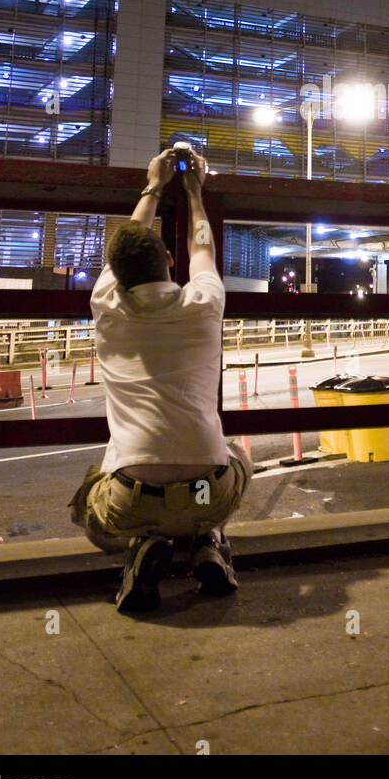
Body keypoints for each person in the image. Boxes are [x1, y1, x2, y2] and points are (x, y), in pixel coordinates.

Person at [68, 147, 252, 613]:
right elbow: (203, 247)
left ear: (116, 274)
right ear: (169, 260)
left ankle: (143, 547)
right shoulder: (204, 302)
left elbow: (126, 251)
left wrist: (152, 187)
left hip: (133, 498)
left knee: (87, 506)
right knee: (239, 458)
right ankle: (209, 540)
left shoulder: (107, 303)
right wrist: (194, 193)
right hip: (211, 491)